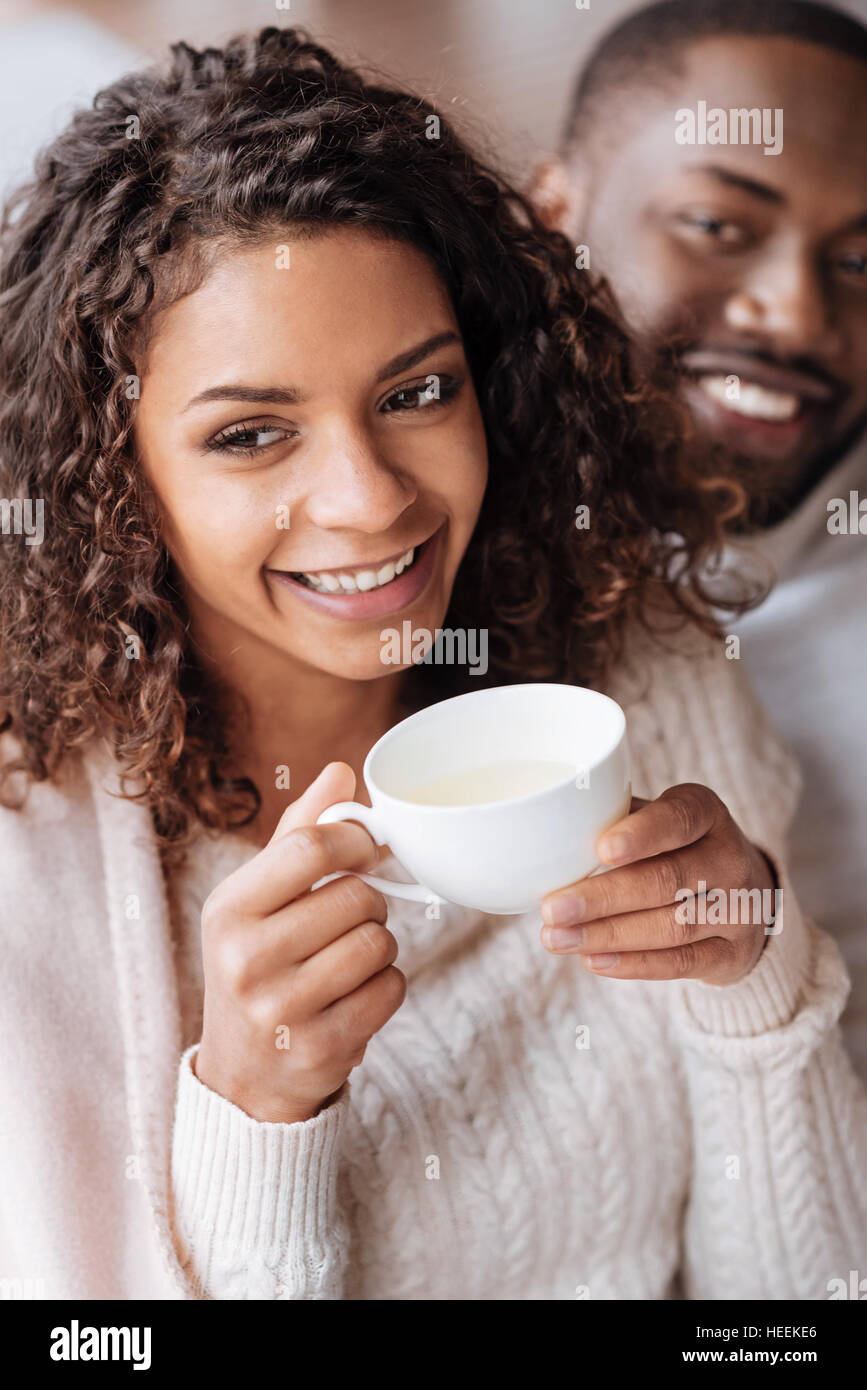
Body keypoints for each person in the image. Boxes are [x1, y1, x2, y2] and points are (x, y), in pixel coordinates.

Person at [0, 24, 864, 1302]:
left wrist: (756, 978)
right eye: (250, 434)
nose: (368, 502)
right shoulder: (39, 858)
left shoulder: (638, 674)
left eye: (416, 394)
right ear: (117, 481)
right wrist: (257, 1112)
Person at [533, 0, 867, 1083]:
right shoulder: (416, 545)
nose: (797, 318)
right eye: (721, 225)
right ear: (554, 212)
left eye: (860, 263)